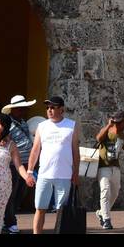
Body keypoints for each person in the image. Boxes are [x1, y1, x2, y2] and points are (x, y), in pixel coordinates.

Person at [25, 96, 80, 234]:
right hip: (44, 175)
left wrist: (76, 172)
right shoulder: (42, 126)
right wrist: (30, 172)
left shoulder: (71, 125)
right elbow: (35, 149)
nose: (49, 110)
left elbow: (75, 151)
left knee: (62, 212)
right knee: (40, 208)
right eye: (48, 107)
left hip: (64, 175)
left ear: (62, 110)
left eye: (53, 107)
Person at [0, 95, 36, 234]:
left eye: (24, 109)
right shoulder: (8, 124)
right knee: (12, 193)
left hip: (26, 163)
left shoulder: (23, 122)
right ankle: (10, 222)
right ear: (13, 109)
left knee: (20, 192)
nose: (23, 111)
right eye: (21, 109)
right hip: (13, 163)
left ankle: (8, 220)